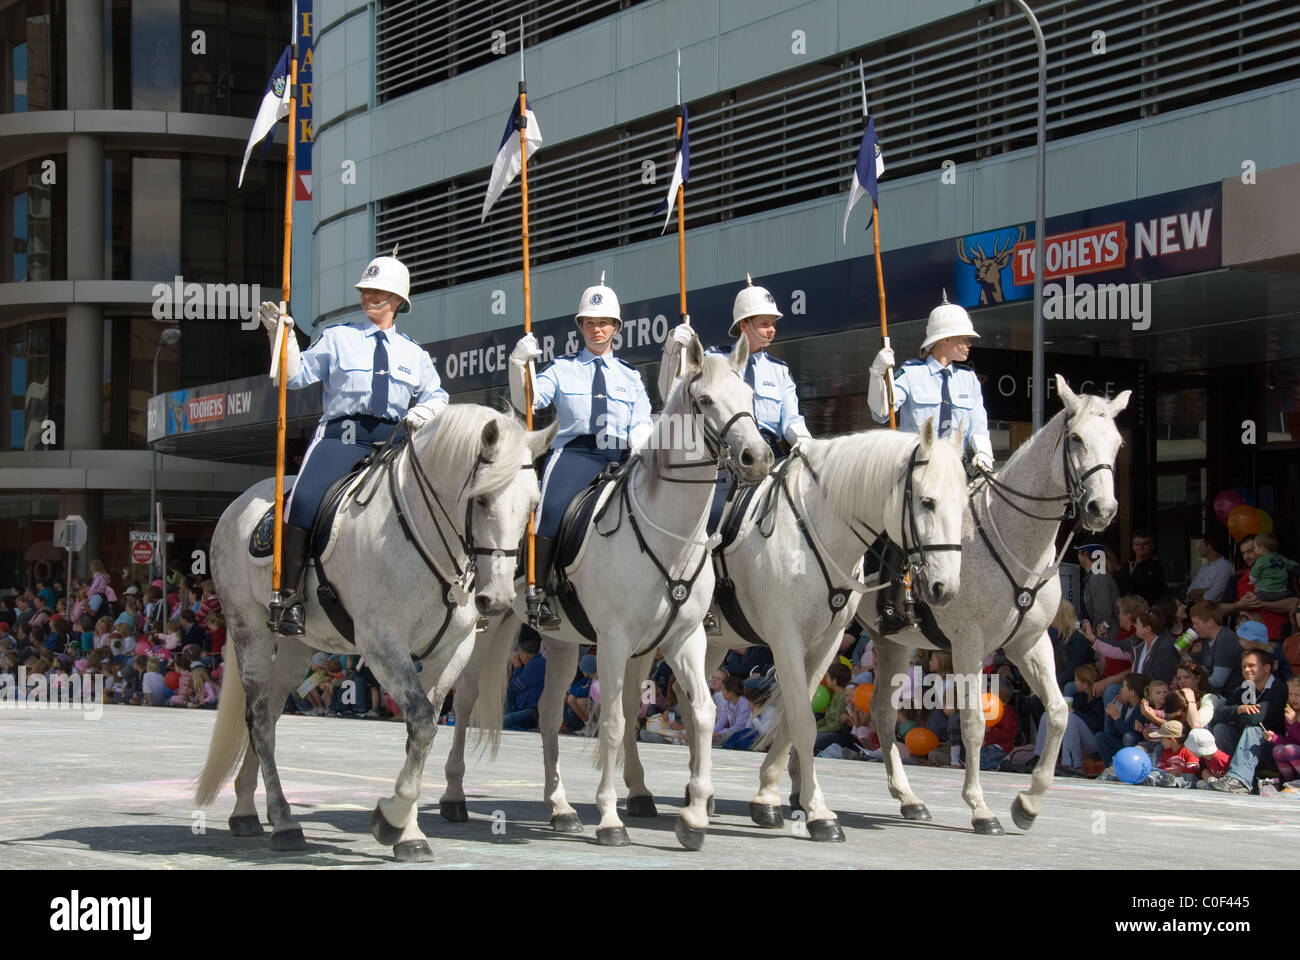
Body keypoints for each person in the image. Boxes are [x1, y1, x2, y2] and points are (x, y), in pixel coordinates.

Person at [259, 252, 449, 635]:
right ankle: (289, 597)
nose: (369, 297)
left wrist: (424, 412)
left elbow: (439, 394)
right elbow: (293, 378)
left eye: (378, 293)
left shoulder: (414, 352)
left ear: (398, 300)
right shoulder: (338, 338)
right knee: (304, 501)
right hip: (341, 440)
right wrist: (281, 337)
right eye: (366, 291)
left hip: (392, 443)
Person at [508, 274, 652, 628]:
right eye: (589, 322)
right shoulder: (562, 369)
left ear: (615, 327)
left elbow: (642, 421)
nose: (596, 329)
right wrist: (519, 365)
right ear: (581, 326)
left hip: (621, 455)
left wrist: (640, 447)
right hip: (576, 453)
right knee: (551, 508)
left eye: (603, 323)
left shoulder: (630, 376)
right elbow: (528, 404)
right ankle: (536, 592)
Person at [866, 291, 992, 628]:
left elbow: (978, 423)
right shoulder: (912, 374)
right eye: (963, 338)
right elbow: (881, 411)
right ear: (944, 340)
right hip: (919, 472)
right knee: (903, 529)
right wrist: (878, 375)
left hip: (957, 471)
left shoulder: (968, 380)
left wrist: (983, 452)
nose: (968, 344)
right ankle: (891, 605)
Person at [660, 275, 811, 536]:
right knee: (712, 522)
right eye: (764, 324)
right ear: (744, 325)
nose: (771, 330)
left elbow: (791, 420)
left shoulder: (780, 371)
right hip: (725, 455)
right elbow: (673, 392)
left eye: (772, 324)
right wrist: (674, 351)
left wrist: (804, 438)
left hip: (770, 453)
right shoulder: (713, 361)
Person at [1206, 648, 1289, 793]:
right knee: (1221, 729)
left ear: (1267, 668)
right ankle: (1232, 775)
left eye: (1251, 666)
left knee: (1253, 729)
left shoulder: (1279, 689)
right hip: (1250, 749)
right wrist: (1238, 709)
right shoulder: (1244, 690)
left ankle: (1240, 780)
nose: (1246, 670)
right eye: (1244, 667)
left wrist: (1236, 716)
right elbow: (1218, 713)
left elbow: (1255, 719)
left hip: (1275, 750)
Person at [1187, 600, 1243, 695]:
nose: (1194, 627)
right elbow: (1201, 670)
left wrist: (1193, 684)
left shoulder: (1226, 639)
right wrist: (1185, 656)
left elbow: (1217, 682)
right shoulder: (1207, 640)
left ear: (1210, 622)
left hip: (1229, 696)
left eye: (1197, 623)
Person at [1076, 544, 1121, 643]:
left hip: (1107, 640)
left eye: (1079, 552)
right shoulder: (1094, 578)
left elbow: (1104, 615)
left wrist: (1096, 636)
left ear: (1085, 555)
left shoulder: (1099, 579)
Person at [504, 635, 546, 731]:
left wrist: (517, 668)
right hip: (524, 708)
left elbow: (515, 687)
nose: (518, 657)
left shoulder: (535, 664)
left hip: (532, 710)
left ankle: (529, 732)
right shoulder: (533, 663)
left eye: (520, 654)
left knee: (502, 722)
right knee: (507, 691)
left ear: (525, 654)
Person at [1116, 530, 1166, 605]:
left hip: (1145, 611)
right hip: (1125, 610)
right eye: (1137, 544)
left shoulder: (1156, 568)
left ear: (1152, 546)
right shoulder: (1126, 566)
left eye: (1145, 544)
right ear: (1133, 546)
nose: (1141, 547)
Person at [1249, 531, 1298, 603]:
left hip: (1263, 592)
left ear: (1263, 549)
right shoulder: (1282, 558)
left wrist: (1252, 580)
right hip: (1281, 593)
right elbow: (1293, 565)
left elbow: (1255, 572)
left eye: (1255, 547)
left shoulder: (1261, 559)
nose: (1253, 549)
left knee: (1252, 597)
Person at [1187, 532, 1234, 604]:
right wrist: (1207, 590)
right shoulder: (1203, 568)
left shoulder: (1224, 566)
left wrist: (1199, 595)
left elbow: (1212, 596)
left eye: (1201, 545)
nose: (1198, 547)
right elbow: (1189, 594)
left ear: (1209, 547)